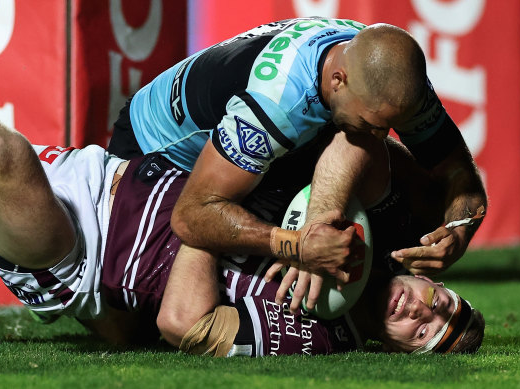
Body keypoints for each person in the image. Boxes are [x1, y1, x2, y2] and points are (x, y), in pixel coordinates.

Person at [107, 17, 487, 321]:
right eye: (374, 122)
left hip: (259, 150)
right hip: (150, 156)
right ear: (338, 81)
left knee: (414, 190)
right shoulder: (276, 108)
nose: (382, 134)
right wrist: (294, 245)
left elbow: (457, 174)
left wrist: (460, 227)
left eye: (388, 124)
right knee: (138, 327)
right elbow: (191, 216)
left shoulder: (386, 76)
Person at [0, 122, 484, 355]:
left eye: (423, 333)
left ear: (399, 350)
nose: (420, 311)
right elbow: (358, 139)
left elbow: (183, 322)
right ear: (429, 281)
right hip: (99, 168)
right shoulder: (372, 233)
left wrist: (248, 231)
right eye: (439, 302)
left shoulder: (319, 335)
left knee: (4, 157)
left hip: (84, 254)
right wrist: (318, 218)